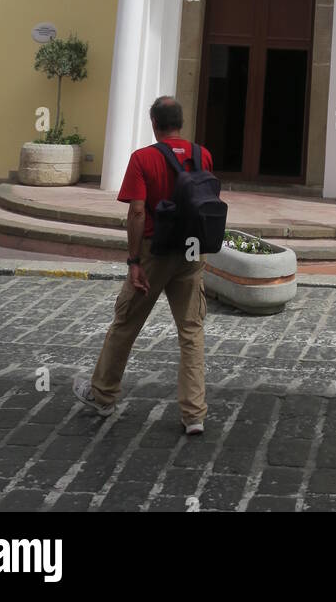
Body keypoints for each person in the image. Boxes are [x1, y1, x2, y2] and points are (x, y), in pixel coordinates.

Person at [73, 96, 214, 434]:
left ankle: (103, 395)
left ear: (154, 123)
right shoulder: (202, 155)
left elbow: (137, 211)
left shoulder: (143, 158)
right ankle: (194, 413)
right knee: (191, 331)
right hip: (192, 251)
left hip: (155, 250)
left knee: (126, 324)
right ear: (180, 122)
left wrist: (134, 260)